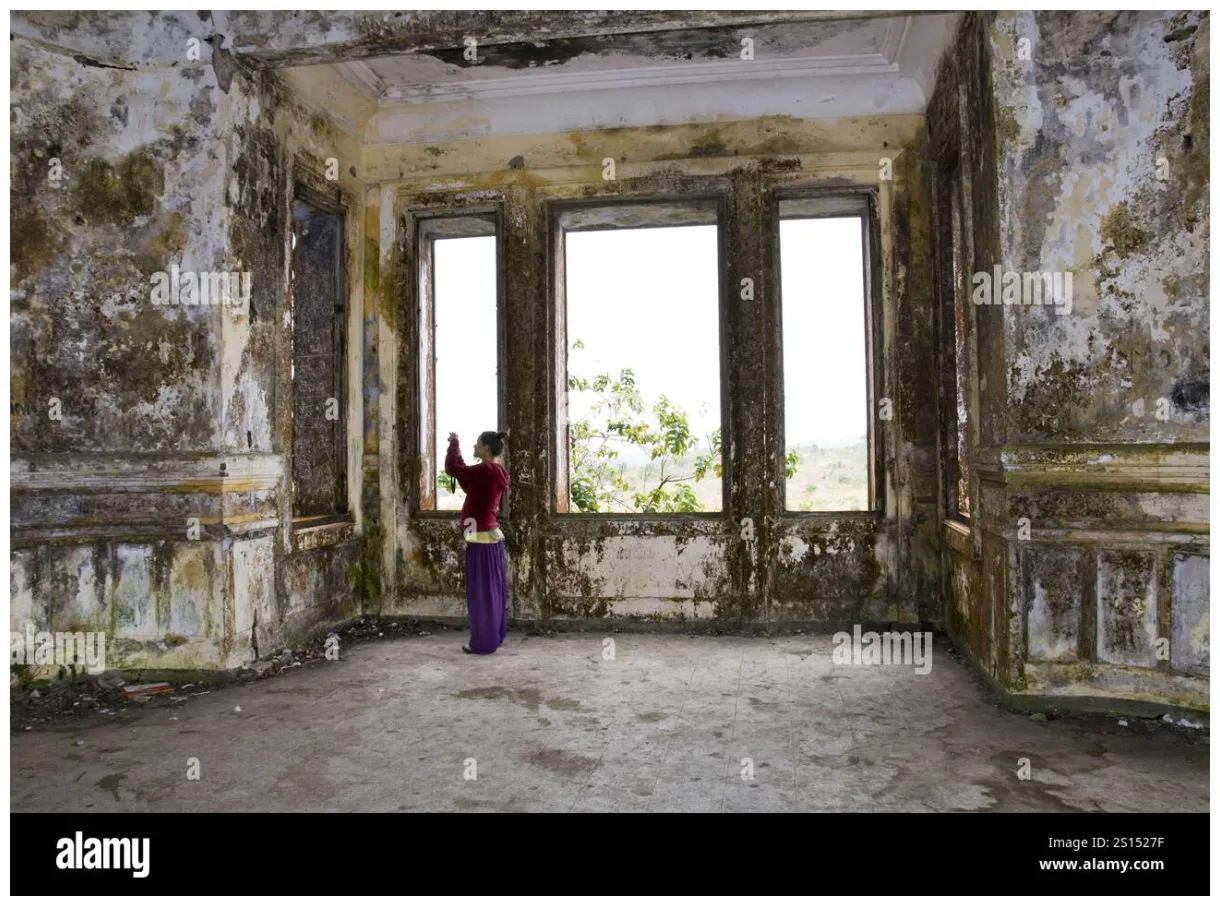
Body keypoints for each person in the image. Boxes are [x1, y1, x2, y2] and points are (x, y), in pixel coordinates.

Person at [445, 430, 510, 655]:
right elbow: (467, 481)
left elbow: (452, 469)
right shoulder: (497, 471)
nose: (475, 446)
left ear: (486, 448)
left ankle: (482, 643)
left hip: (480, 539)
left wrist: (454, 443)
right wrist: (458, 455)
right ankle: (494, 636)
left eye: (477, 443)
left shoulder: (484, 470)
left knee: (481, 594)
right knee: (492, 591)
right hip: (491, 537)